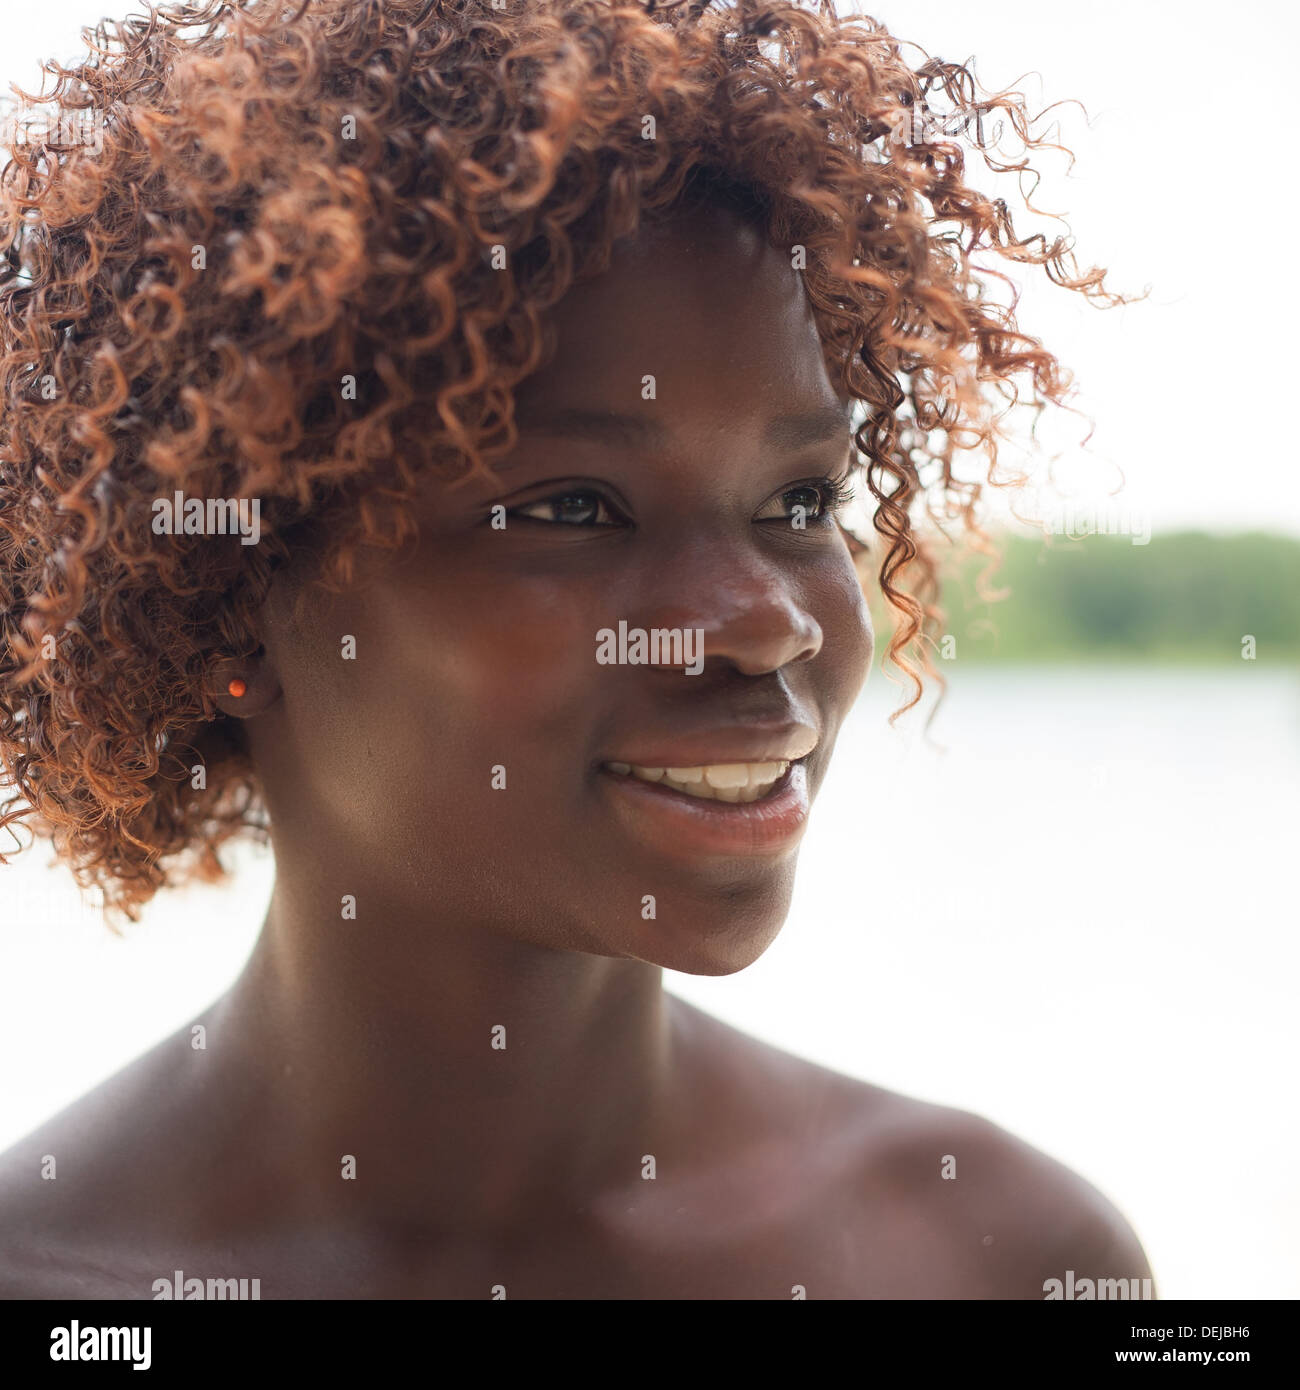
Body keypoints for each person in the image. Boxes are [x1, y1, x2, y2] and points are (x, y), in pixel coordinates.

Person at [0, 0, 1150, 1297]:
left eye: (802, 503)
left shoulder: (1001, 1261)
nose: (768, 616)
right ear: (230, 603)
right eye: (571, 509)